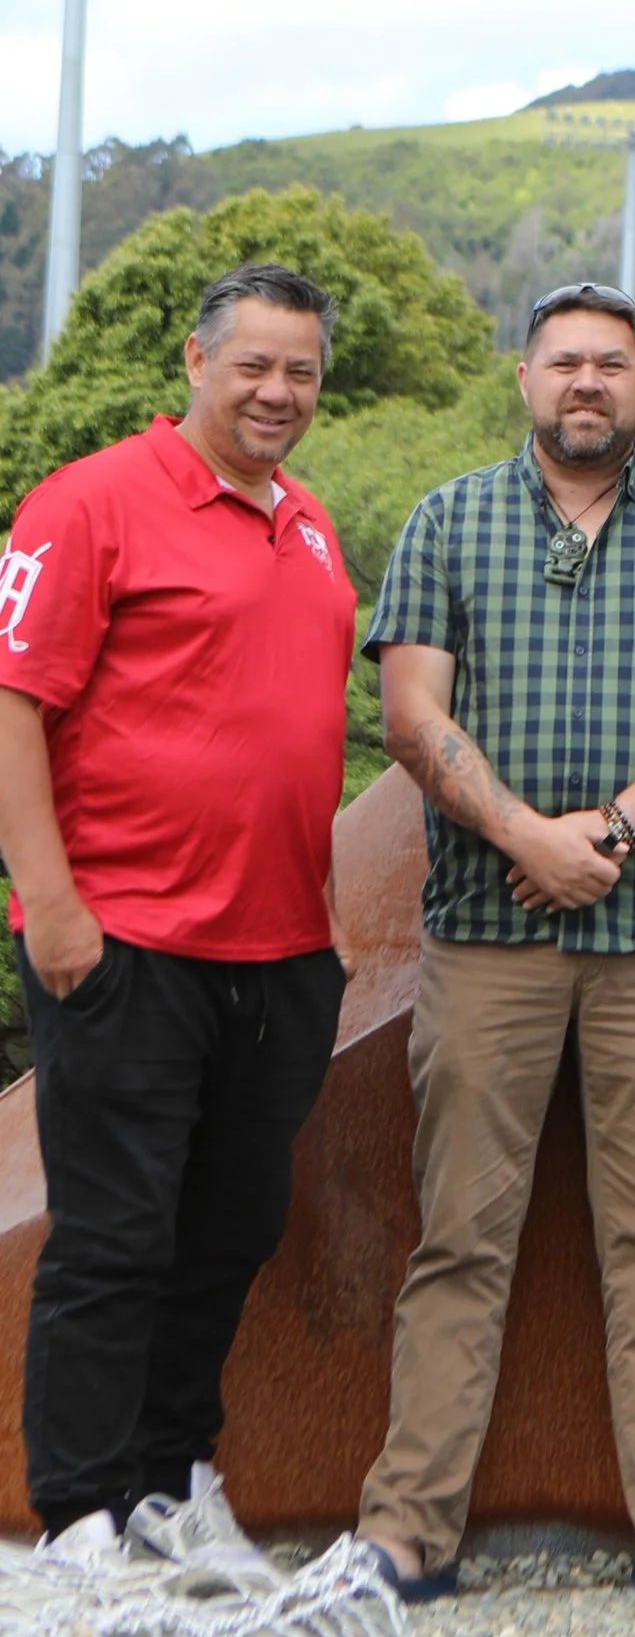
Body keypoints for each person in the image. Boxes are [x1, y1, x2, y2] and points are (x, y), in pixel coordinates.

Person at [357, 282, 635, 1615]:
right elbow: (410, 712)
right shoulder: (450, 518)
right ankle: (405, 1533)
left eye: (612, 362)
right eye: (565, 362)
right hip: (488, 935)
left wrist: (607, 831)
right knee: (458, 1237)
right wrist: (520, 835)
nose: (587, 382)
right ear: (526, 378)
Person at [0, 260, 354, 1567]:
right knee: (114, 1236)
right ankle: (78, 1510)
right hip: (126, 940)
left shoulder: (307, 520)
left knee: (229, 1232)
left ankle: (166, 1480)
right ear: (197, 362)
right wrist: (51, 906)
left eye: (301, 371)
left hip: (280, 952)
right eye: (253, 364)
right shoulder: (90, 501)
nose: (277, 391)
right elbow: (13, 706)